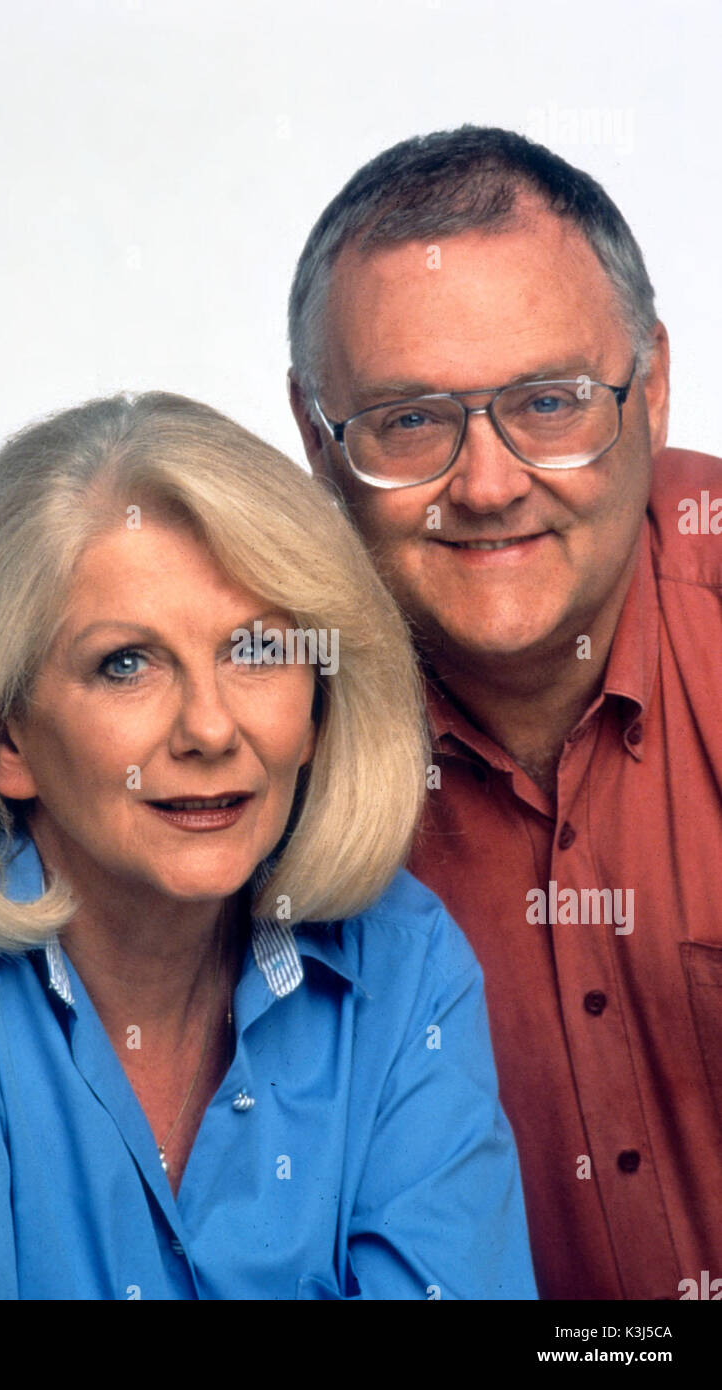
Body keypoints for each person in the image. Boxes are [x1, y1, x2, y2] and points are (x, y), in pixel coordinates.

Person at [0, 390, 535, 1300]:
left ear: (321, 706)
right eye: (125, 663)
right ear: (4, 739)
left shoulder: (403, 967)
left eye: (255, 651)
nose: (209, 730)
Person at [287, 125, 722, 1301]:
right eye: (409, 422)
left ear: (655, 384)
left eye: (546, 401)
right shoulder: (246, 731)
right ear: (314, 436)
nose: (485, 487)